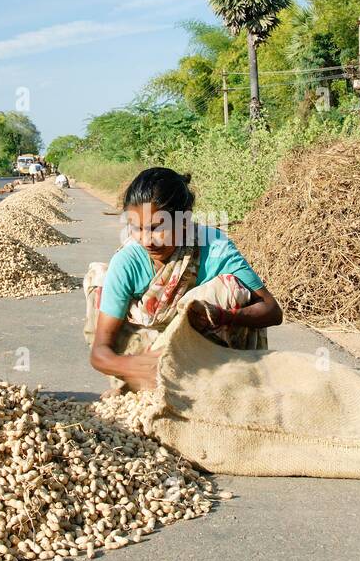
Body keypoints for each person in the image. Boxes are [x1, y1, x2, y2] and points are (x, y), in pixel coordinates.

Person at [84, 167, 282, 392]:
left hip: (207, 355)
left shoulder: (214, 248)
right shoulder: (128, 261)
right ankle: (142, 388)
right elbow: (100, 352)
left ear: (185, 220)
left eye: (157, 228)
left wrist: (224, 316)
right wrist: (131, 365)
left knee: (228, 289)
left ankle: (231, 384)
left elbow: (272, 311)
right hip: (145, 357)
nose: (146, 240)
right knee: (100, 281)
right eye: (136, 228)